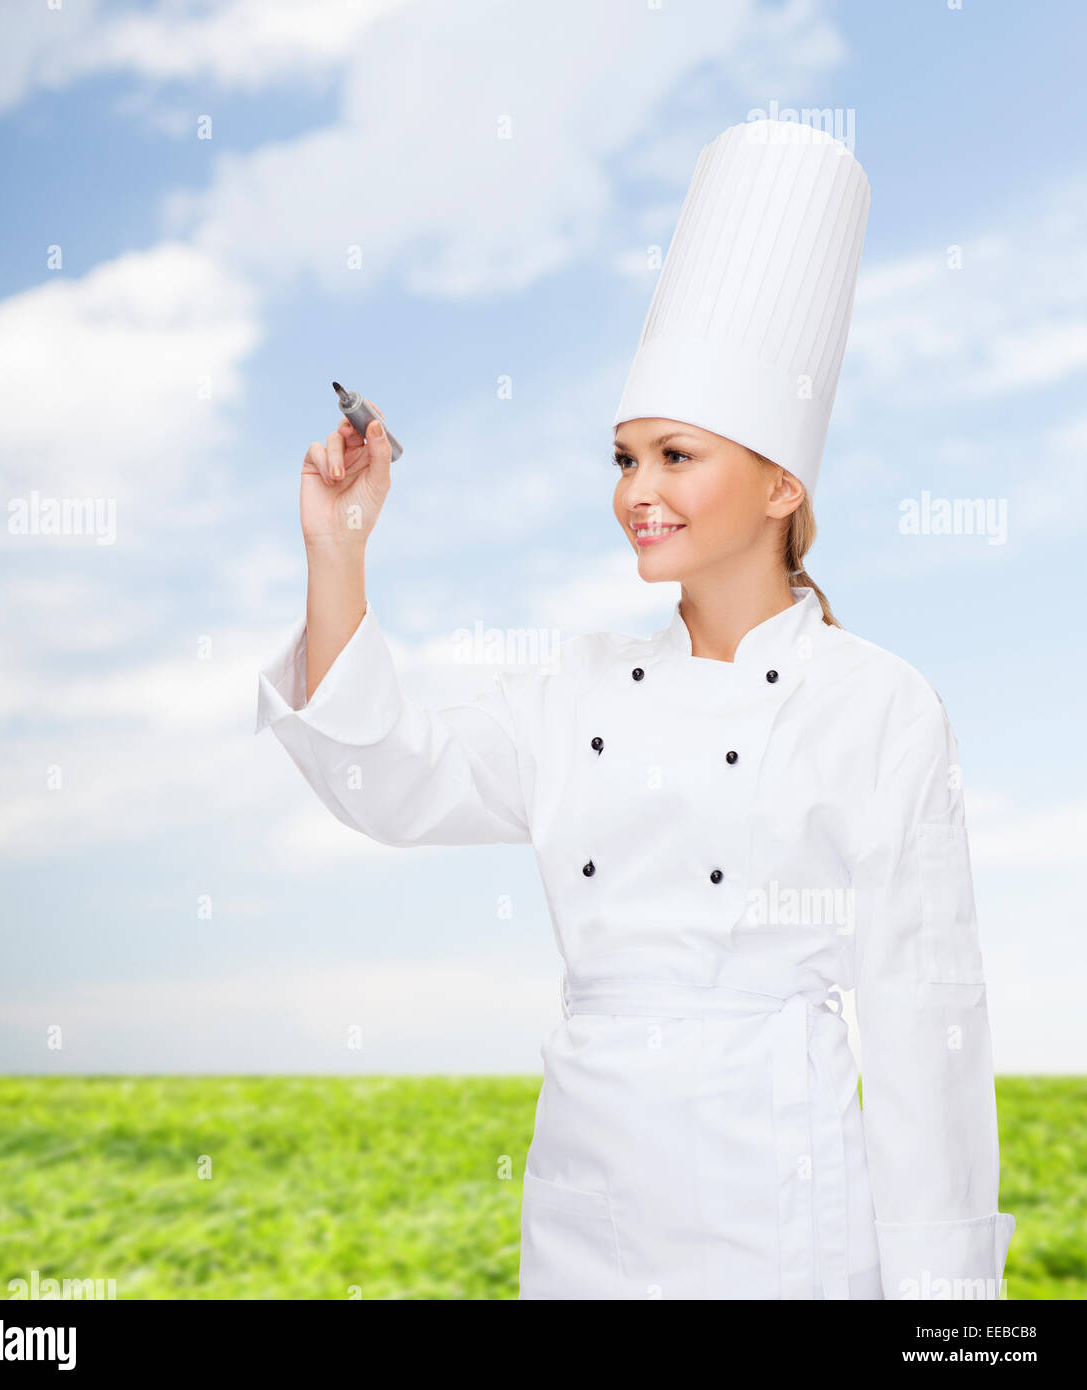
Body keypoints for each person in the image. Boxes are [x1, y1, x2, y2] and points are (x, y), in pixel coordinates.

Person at [256, 119, 1016, 1300]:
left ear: (780, 484)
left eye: (674, 456)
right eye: (623, 459)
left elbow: (927, 1028)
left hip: (786, 1219)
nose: (636, 493)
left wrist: (950, 1318)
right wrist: (340, 547)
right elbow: (386, 778)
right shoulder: (575, 689)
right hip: (588, 1214)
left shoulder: (878, 709)